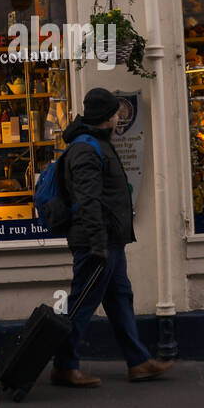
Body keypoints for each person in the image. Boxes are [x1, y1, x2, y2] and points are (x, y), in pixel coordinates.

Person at [52, 87, 173, 387]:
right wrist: (97, 244)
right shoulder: (85, 149)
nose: (120, 118)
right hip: (96, 243)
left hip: (110, 242)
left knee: (120, 300)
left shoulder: (99, 143)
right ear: (106, 117)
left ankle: (138, 362)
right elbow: (88, 201)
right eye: (117, 113)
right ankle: (64, 366)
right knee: (82, 303)